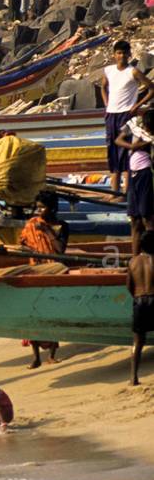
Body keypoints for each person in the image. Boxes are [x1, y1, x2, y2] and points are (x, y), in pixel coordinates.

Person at [20, 194, 68, 367]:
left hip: (54, 272)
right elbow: (24, 243)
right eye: (37, 207)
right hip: (35, 272)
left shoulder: (61, 226)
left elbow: (60, 249)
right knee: (33, 314)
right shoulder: (31, 224)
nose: (39, 210)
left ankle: (52, 354)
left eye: (43, 207)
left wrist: (47, 231)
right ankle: (36, 357)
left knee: (52, 312)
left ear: (52, 208)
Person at [101, 40, 154, 194]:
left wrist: (136, 105)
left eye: (124, 53)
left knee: (124, 152)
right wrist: (106, 103)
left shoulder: (133, 71)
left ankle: (126, 192)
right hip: (111, 114)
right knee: (112, 150)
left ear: (129, 55)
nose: (121, 56)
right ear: (114, 55)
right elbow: (103, 87)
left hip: (126, 114)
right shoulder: (109, 70)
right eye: (119, 53)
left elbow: (151, 88)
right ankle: (114, 191)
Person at [115, 107, 154, 255]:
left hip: (147, 174)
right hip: (133, 174)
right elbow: (118, 140)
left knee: (148, 218)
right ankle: (135, 257)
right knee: (135, 219)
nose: (147, 130)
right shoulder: (134, 123)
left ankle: (150, 255)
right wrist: (133, 146)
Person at [126, 229, 154, 385]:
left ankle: (133, 377)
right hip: (153, 297)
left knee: (138, 341)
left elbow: (129, 285)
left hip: (139, 301)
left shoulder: (133, 261)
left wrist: (137, 298)